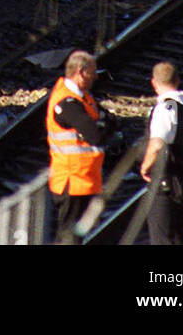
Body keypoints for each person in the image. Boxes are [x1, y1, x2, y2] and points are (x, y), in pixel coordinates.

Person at [46, 50, 119, 244]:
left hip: (84, 178)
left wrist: (103, 125)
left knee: (77, 236)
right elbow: (95, 134)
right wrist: (102, 126)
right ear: (80, 72)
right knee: (68, 237)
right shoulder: (67, 101)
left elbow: (111, 121)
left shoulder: (82, 97)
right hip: (72, 181)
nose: (95, 77)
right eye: (92, 72)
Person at [140, 61, 183, 246]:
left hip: (166, 181)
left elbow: (156, 144)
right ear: (178, 80)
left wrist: (145, 167)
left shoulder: (165, 108)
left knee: (162, 237)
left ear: (153, 83)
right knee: (180, 235)